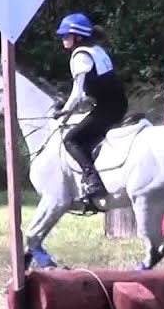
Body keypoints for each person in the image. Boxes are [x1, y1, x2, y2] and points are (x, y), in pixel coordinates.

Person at [51, 12, 129, 207]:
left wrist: (65, 112)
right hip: (118, 104)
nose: (63, 39)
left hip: (106, 109)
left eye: (66, 35)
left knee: (70, 139)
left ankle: (93, 181)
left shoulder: (80, 56)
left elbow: (77, 93)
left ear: (78, 37)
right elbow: (92, 88)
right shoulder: (96, 50)